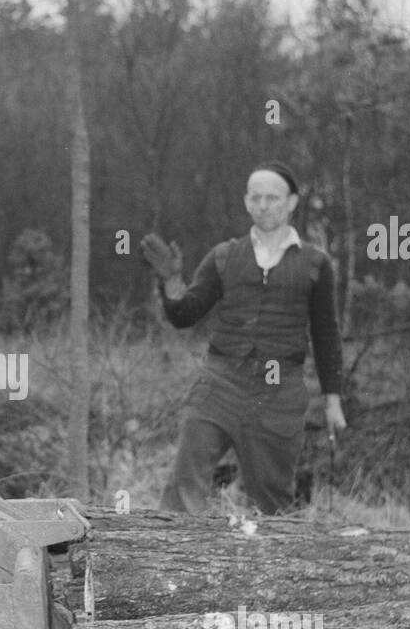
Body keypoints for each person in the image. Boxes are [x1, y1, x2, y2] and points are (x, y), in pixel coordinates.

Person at [141, 161, 347, 515]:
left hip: (280, 391)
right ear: (247, 202)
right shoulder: (224, 256)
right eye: (256, 198)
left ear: (292, 202)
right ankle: (171, 561)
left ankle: (273, 566)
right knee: (184, 486)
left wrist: (333, 400)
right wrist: (172, 282)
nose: (264, 205)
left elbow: (326, 333)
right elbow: (185, 314)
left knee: (272, 504)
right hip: (220, 383)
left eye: (273, 197)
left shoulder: (316, 263)